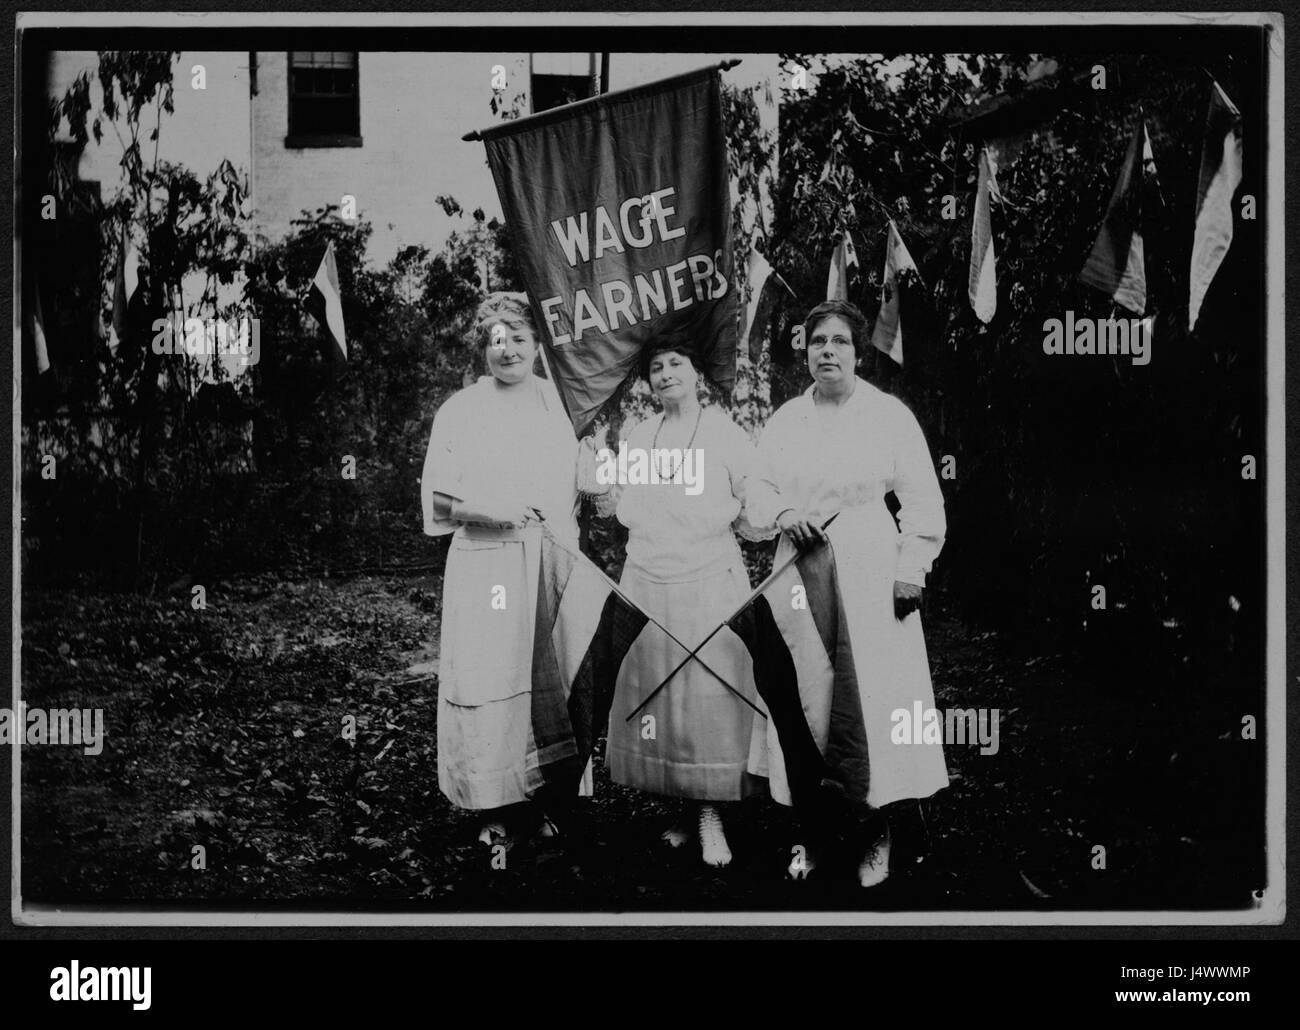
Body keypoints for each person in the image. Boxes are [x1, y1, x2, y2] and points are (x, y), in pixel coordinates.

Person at [747, 299, 949, 887]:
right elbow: (757, 488)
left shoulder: (889, 415)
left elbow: (923, 501)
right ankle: (810, 831)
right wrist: (783, 511)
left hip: (869, 568)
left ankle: (878, 830)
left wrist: (912, 568)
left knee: (878, 699)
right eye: (817, 342)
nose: (827, 352)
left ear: (859, 353)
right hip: (799, 572)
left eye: (839, 342)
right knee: (807, 696)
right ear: (805, 352)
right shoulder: (786, 419)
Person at [420, 292, 584, 851]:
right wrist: (489, 510)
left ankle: (545, 796)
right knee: (489, 680)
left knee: (545, 677)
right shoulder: (461, 409)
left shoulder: (562, 404)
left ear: (539, 345)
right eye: (497, 338)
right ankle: (491, 806)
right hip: (485, 562)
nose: (508, 349)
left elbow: (585, 479)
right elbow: (440, 502)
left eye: (519, 337)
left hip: (549, 559)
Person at [596, 336, 764, 868]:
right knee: (660, 692)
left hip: (709, 577)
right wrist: (598, 466)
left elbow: (753, 505)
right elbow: (619, 507)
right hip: (648, 575)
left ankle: (711, 812)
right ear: (647, 380)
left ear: (696, 373)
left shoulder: (725, 434)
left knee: (709, 692)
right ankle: (678, 804)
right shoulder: (639, 436)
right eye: (656, 367)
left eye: (676, 363)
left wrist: (765, 515)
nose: (666, 373)